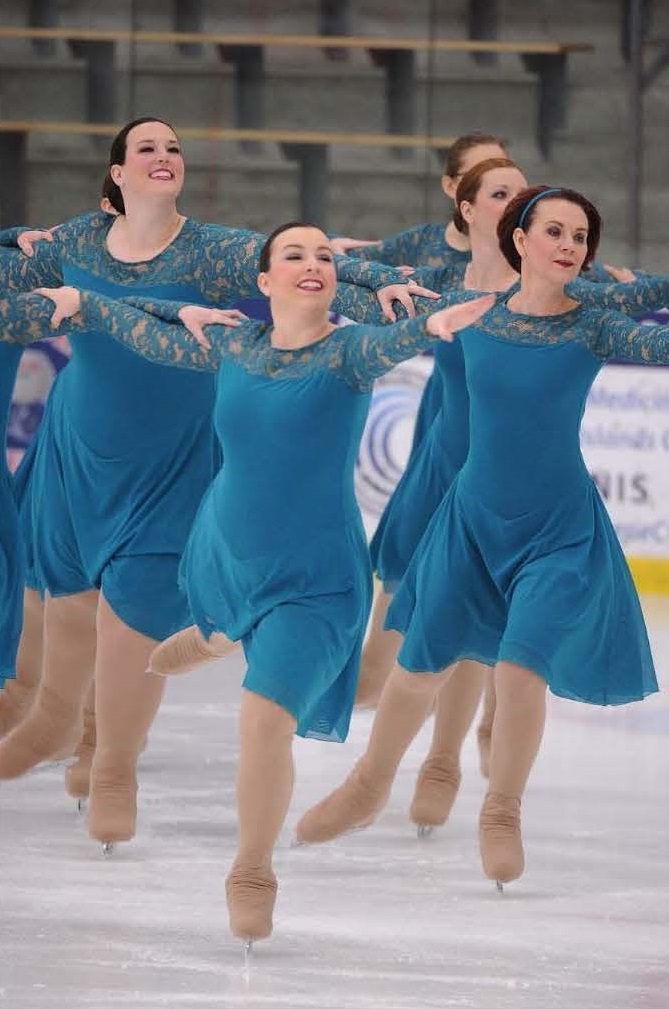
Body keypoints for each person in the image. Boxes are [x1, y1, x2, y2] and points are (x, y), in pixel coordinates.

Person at [0, 222, 495, 944]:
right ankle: (217, 629)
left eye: (324, 256)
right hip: (223, 559)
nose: (313, 264)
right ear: (260, 282)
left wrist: (435, 321)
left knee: (272, 716)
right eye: (293, 253)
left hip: (315, 583)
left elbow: (398, 338)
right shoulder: (229, 344)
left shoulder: (348, 352)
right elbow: (122, 319)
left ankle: (253, 867)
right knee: (226, 626)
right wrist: (99, 298)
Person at [0, 117, 431, 849]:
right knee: (70, 613)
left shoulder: (214, 250)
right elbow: (13, 306)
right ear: (116, 176)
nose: (165, 156)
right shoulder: (72, 242)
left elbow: (306, 270)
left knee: (131, 612)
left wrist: (386, 282)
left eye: (174, 147)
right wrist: (15, 239)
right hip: (79, 451)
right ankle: (55, 722)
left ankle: (114, 766)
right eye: (147, 148)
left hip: (170, 459)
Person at [294, 187, 666, 892]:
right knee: (417, 668)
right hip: (470, 522)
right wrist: (338, 260)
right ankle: (369, 783)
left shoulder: (594, 324)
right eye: (552, 230)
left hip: (558, 532)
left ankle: (501, 808)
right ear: (517, 238)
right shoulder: (468, 312)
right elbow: (378, 288)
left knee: (521, 666)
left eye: (579, 236)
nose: (566, 244)